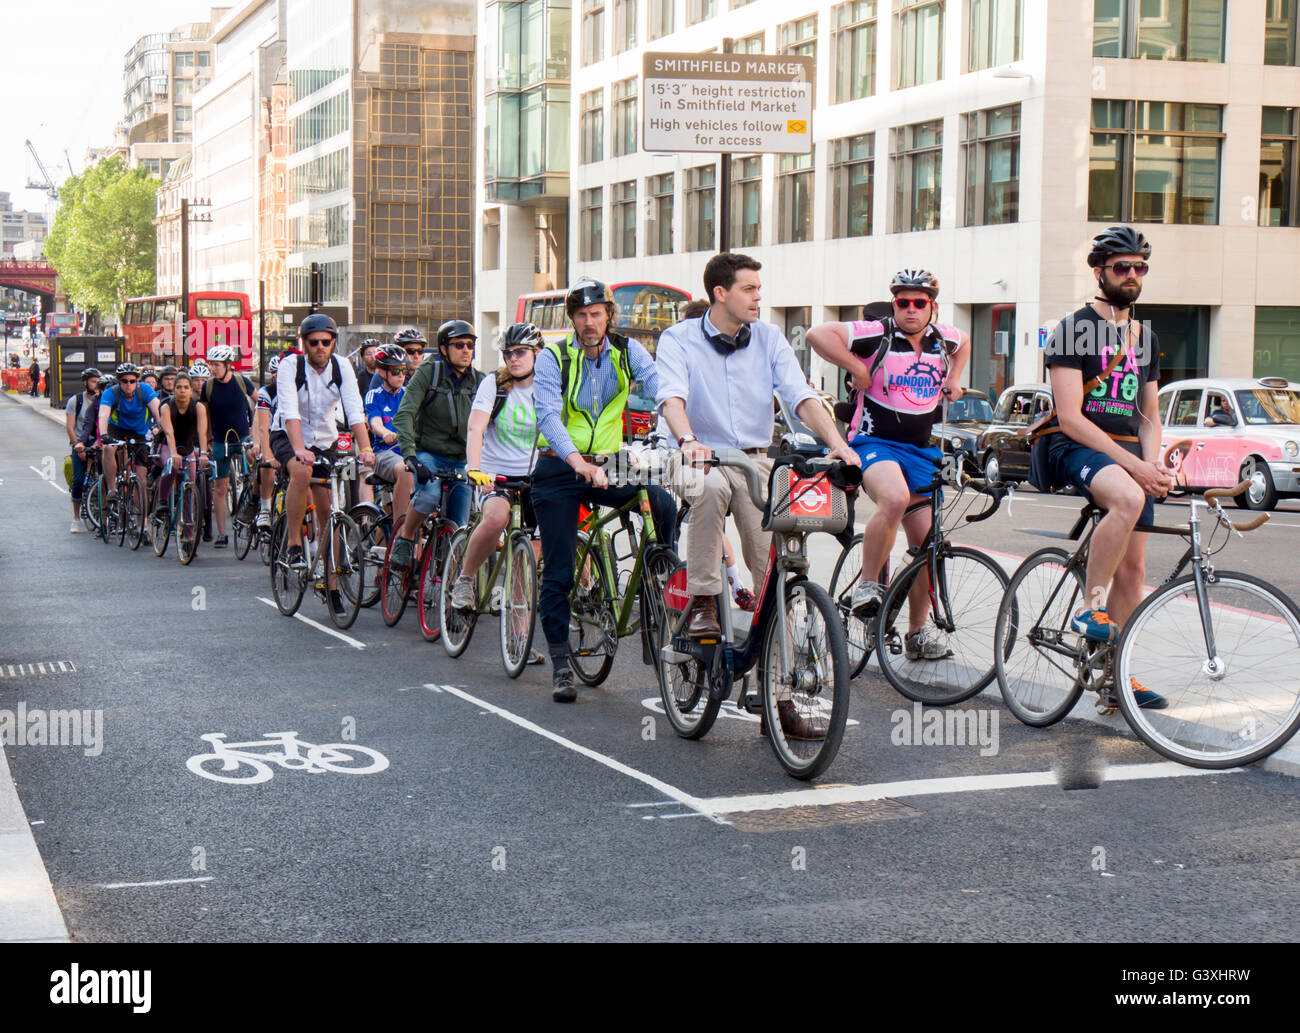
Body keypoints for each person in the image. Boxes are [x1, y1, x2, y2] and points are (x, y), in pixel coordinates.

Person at [657, 253, 857, 739]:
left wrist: (839, 445)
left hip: (754, 457)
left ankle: (776, 697)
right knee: (705, 488)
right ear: (720, 293)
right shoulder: (678, 338)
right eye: (749, 288)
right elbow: (671, 398)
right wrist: (688, 441)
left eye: (758, 288)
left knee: (777, 570)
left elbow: (800, 396)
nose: (759, 296)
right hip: (696, 454)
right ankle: (704, 598)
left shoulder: (768, 338)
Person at [807, 269, 970, 661]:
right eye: (903, 302)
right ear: (894, 303)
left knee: (926, 544)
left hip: (920, 448)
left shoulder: (941, 338)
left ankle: (917, 634)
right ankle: (867, 584)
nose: (910, 310)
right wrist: (857, 367)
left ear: (933, 306)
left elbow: (964, 343)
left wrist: (956, 378)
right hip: (874, 443)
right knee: (894, 499)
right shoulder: (875, 333)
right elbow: (816, 335)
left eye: (920, 303)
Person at [1040, 226, 1172, 710]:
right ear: (1099, 272)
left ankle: (1115, 676)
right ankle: (1090, 608)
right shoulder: (1072, 330)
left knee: (1134, 569)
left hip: (1126, 453)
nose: (1133, 275)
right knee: (1129, 496)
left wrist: (1152, 464)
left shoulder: (1145, 336)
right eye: (1123, 267)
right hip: (1074, 446)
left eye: (1141, 268)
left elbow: (1149, 415)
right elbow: (1071, 417)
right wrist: (1135, 470)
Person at [531, 278, 678, 702]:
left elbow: (663, 393)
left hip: (610, 463)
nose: (590, 322)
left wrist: (682, 437)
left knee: (662, 501)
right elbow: (547, 416)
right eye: (581, 315)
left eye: (597, 314)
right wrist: (577, 461)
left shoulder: (629, 351)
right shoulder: (553, 357)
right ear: (572, 319)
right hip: (560, 466)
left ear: (609, 316)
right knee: (558, 571)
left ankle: (658, 577)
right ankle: (561, 664)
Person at [271, 314, 375, 608]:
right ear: (304, 343)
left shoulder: (343, 367)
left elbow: (355, 412)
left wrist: (365, 447)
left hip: (325, 440)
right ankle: (293, 543)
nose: (319, 347)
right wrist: (299, 449)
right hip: (289, 435)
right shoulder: (291, 365)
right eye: (313, 342)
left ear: (333, 343)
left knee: (330, 511)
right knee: (302, 472)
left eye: (325, 342)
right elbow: (289, 411)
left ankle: (331, 586)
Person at [451, 322, 544, 614]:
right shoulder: (495, 384)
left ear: (537, 353)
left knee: (540, 545)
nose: (513, 358)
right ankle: (464, 580)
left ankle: (517, 639)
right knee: (495, 519)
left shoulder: (549, 386)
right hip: (495, 476)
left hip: (535, 478)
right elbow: (476, 427)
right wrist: (475, 469)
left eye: (521, 352)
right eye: (508, 353)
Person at [389, 319, 485, 572]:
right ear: (444, 349)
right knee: (429, 496)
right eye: (459, 345)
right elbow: (405, 414)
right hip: (429, 453)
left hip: (462, 460)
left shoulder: (479, 380)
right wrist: (410, 456)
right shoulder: (428, 373)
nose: (466, 350)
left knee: (459, 524)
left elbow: (494, 421)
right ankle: (407, 536)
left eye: (470, 345)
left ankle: (445, 582)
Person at [201, 344, 257, 548]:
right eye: (211, 365)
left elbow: (262, 403)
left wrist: (256, 430)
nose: (212, 369)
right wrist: (207, 441)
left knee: (255, 476)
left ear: (227, 365)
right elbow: (204, 416)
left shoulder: (242, 382)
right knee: (220, 488)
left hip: (243, 437)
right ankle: (222, 533)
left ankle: (254, 520)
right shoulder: (208, 387)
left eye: (216, 365)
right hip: (220, 441)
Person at [363, 344, 414, 536]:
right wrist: (384, 433)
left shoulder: (409, 394)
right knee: (406, 469)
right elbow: (374, 421)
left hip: (408, 451)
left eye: (403, 371)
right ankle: (402, 533)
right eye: (395, 371)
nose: (401, 375)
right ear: (381, 371)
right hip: (385, 453)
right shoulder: (374, 395)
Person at [98, 362, 162, 503]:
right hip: (117, 429)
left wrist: (162, 427)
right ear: (119, 381)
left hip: (139, 431)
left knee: (141, 480)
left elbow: (158, 410)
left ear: (137, 381)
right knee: (108, 448)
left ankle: (142, 524)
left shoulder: (144, 390)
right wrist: (103, 435)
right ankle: (112, 489)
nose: (128, 384)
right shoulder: (111, 393)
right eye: (124, 381)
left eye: (132, 381)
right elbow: (103, 415)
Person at [156, 372, 210, 515]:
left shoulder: (198, 407)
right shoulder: (166, 407)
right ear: (173, 390)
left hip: (188, 447)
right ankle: (162, 501)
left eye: (186, 387)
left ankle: (188, 532)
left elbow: (202, 432)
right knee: (171, 465)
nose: (182, 391)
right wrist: (173, 453)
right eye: (179, 387)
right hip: (167, 445)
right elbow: (169, 432)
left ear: (191, 390)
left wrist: (203, 453)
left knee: (189, 487)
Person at [65, 367, 101, 532]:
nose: (95, 384)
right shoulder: (76, 400)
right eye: (93, 381)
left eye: (97, 381)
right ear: (86, 382)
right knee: (78, 480)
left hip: (96, 443)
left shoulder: (102, 400)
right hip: (80, 443)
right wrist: (78, 447)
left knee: (104, 477)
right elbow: (70, 427)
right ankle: (76, 518)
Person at [253, 355, 282, 529]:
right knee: (267, 463)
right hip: (269, 435)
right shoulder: (267, 392)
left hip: (289, 438)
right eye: (277, 374)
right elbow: (259, 423)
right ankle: (264, 508)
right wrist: (258, 444)